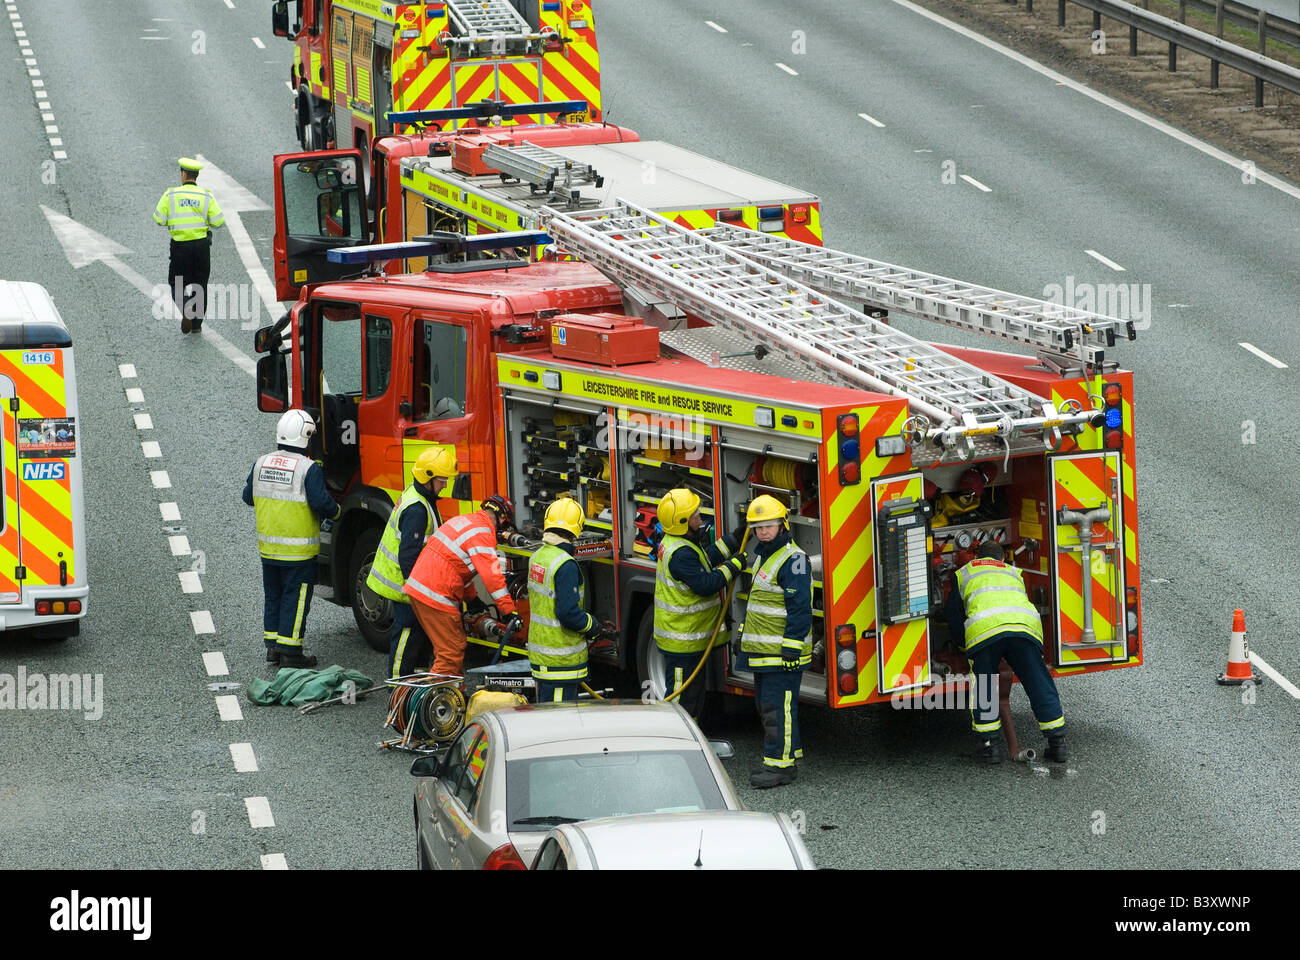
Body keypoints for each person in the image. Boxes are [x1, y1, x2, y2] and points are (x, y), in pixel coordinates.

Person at [945, 541, 1067, 764]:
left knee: (984, 686)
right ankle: (1057, 744)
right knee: (1038, 681)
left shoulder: (964, 573)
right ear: (1002, 559)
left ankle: (989, 748)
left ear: (977, 558)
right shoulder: (1014, 572)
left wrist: (963, 646)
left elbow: (954, 615)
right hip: (1024, 629)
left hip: (984, 632)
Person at [243, 409, 339, 667]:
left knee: (273, 595)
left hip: (268, 550)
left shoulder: (261, 462)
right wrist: (338, 511)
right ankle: (291, 653)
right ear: (305, 436)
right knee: (295, 600)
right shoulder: (308, 468)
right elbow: (321, 503)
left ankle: (273, 648)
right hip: (298, 552)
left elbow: (247, 497)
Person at [365, 447, 459, 679]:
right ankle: (398, 683)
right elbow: (408, 555)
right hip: (405, 584)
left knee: (419, 633)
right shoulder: (417, 509)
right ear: (428, 478)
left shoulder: (419, 495)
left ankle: (417, 679)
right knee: (407, 632)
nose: (444, 485)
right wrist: (415, 588)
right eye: (441, 480)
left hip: (412, 582)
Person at [738, 495, 812, 789]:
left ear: (782, 525)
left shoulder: (794, 560)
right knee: (770, 706)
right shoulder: (766, 555)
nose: (763, 532)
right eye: (758, 527)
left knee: (777, 709)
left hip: (781, 654)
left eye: (768, 526)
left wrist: (791, 648)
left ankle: (780, 766)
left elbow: (800, 608)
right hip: (765, 652)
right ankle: (784, 756)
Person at [404, 494, 519, 679]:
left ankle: (454, 691)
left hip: (420, 588)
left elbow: (456, 567)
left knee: (449, 647)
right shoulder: (483, 533)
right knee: (450, 652)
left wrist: (472, 599)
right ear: (502, 519)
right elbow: (492, 578)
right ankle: (436, 694)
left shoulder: (464, 521)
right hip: (436, 594)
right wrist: (508, 611)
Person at [653, 488, 743, 720]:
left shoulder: (680, 542)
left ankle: (690, 736)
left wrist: (735, 538)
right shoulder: (681, 554)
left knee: (692, 696)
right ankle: (675, 737)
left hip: (687, 639)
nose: (699, 517)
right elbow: (705, 584)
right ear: (683, 522)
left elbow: (706, 558)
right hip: (682, 641)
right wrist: (734, 566)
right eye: (694, 514)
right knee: (681, 699)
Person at [526, 497, 601, 703]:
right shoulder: (565, 564)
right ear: (576, 529)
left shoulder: (538, 556)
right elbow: (567, 613)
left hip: (543, 656)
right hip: (560, 661)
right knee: (558, 717)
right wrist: (593, 626)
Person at [153, 157, 225, 333]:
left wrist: (173, 220)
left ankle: (186, 306)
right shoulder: (206, 196)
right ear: (196, 176)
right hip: (201, 247)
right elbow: (218, 221)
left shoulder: (170, 195)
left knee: (176, 283)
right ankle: (196, 326)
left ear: (184, 174)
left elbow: (159, 219)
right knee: (200, 284)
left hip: (180, 248)